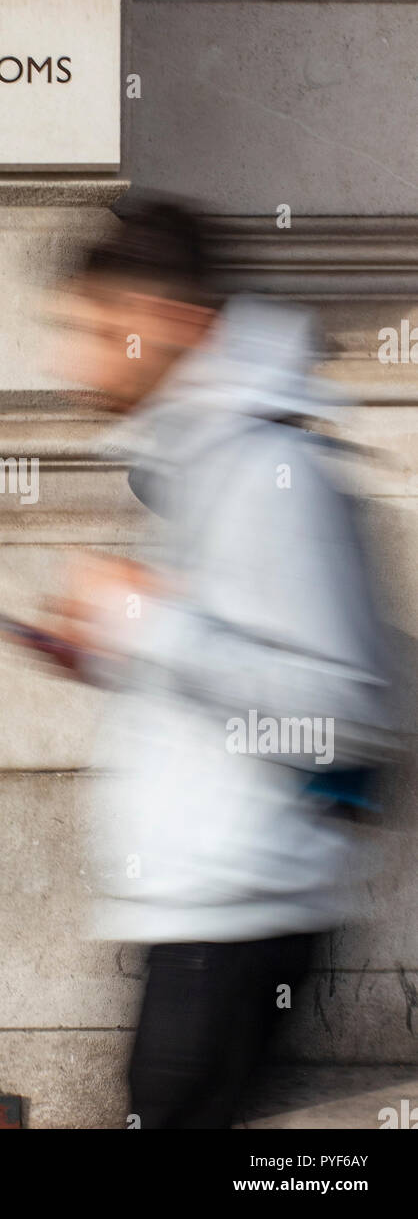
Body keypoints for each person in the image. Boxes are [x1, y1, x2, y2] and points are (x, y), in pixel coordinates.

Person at [26, 196, 394, 1128]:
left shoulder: (275, 471)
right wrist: (115, 648)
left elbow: (346, 707)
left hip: (240, 919)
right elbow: (222, 664)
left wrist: (148, 623)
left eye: (98, 328)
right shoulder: (197, 459)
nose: (70, 359)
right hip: (199, 907)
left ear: (174, 322)